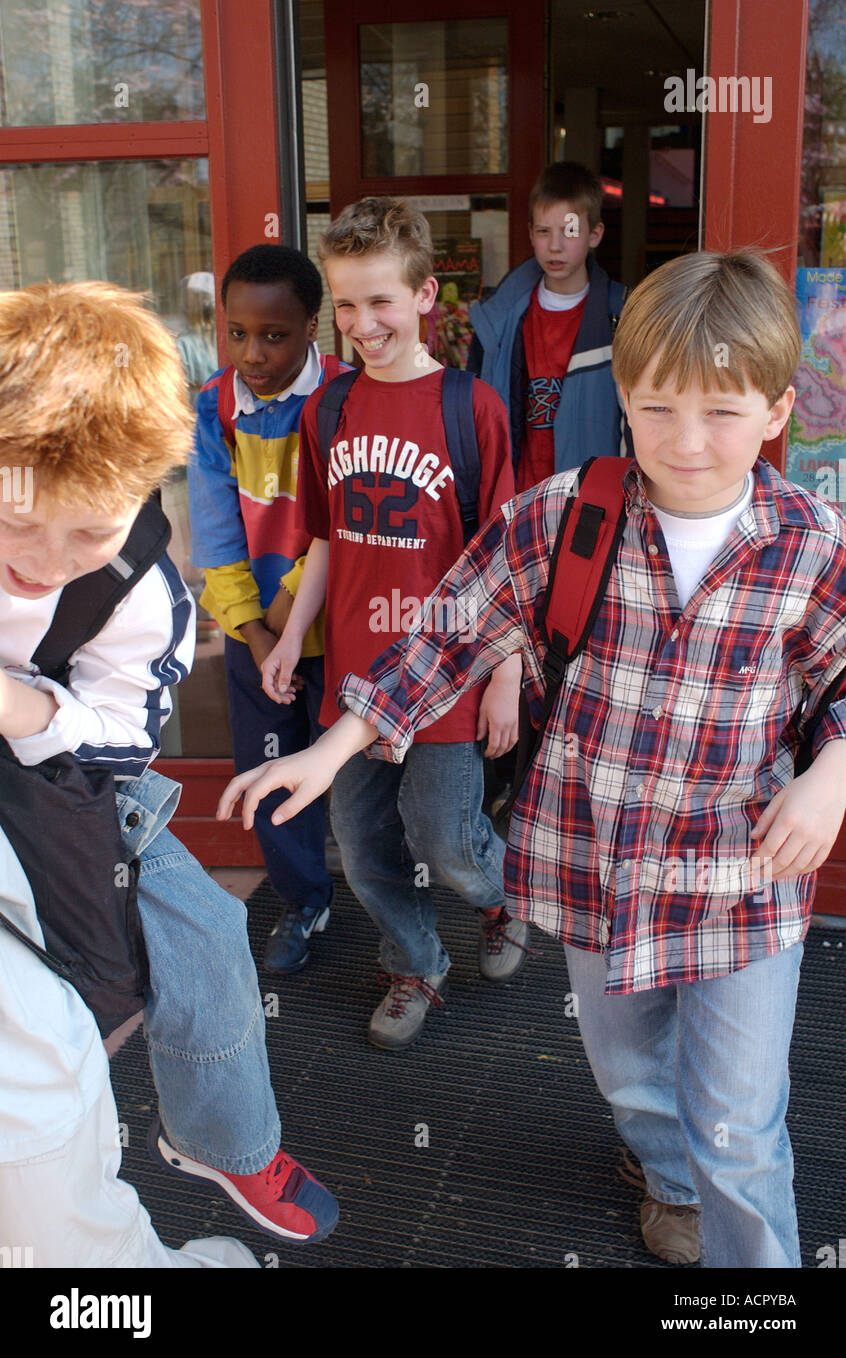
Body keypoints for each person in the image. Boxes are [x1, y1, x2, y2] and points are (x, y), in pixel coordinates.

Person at [219, 249, 846, 1268]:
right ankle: (665, 1173)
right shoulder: (566, 517)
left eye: (722, 412)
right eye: (659, 407)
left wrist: (833, 775)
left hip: (745, 877)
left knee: (740, 1125)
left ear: (777, 411)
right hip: (595, 865)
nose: (687, 441)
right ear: (624, 398)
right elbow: (445, 639)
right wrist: (331, 750)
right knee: (629, 1071)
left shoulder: (814, 543)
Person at [0, 280, 338, 1265]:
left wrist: (22, 709)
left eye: (89, 531)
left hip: (70, 781)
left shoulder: (139, 591)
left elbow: (123, 741)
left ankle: (225, 1142)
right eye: (18, 519)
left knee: (208, 935)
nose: (46, 560)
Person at [258, 197, 530, 1050]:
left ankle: (502, 897)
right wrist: (290, 637)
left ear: (424, 296)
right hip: (352, 673)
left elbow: (507, 561)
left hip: (447, 674)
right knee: (362, 844)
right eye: (345, 304)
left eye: (380, 300)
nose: (362, 323)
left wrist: (508, 674)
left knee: (448, 843)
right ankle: (415, 962)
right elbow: (326, 539)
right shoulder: (328, 407)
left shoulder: (471, 407)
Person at [188, 244, 345, 974]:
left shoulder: (345, 398)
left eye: (275, 335)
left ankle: (397, 909)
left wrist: (284, 617)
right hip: (254, 632)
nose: (253, 353)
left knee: (362, 780)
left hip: (338, 628)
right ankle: (304, 900)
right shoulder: (215, 406)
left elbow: (341, 526)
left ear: (313, 327)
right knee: (269, 767)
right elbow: (216, 534)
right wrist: (253, 632)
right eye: (238, 334)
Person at [467, 161, 629, 492]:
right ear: (530, 233)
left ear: (594, 234)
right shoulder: (496, 319)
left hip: (590, 500)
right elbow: (473, 419)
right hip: (518, 498)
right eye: (543, 231)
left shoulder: (621, 316)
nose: (555, 245)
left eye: (569, 231)